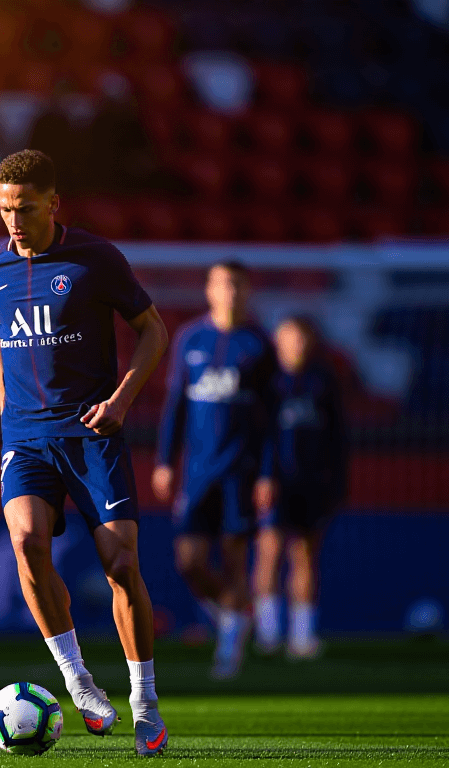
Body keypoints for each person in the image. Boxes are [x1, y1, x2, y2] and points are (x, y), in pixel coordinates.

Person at [0, 149, 171, 756]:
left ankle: (144, 703)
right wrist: (9, 417)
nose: (13, 220)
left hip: (92, 435)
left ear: (53, 204)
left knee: (121, 567)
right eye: (5, 207)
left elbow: (153, 331)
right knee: (27, 542)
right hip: (26, 438)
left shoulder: (94, 259)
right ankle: (78, 682)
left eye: (25, 208)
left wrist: (119, 402)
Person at [152, 261, 277, 680]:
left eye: (239, 284)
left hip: (240, 471)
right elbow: (176, 407)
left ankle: (228, 652)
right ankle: (234, 616)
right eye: (224, 284)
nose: (231, 292)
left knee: (236, 557)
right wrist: (165, 461)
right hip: (197, 471)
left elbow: (274, 416)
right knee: (189, 561)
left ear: (248, 290)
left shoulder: (259, 343)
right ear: (209, 289)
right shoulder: (191, 339)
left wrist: (267, 472)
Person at [252, 316, 348, 659]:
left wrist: (335, 483)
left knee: (305, 555)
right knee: (269, 553)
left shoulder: (322, 381)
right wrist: (262, 476)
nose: (297, 345)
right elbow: (258, 435)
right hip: (274, 483)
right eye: (290, 338)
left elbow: (337, 437)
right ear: (278, 341)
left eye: (303, 338)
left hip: (311, 484)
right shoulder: (267, 382)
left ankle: (302, 637)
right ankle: (267, 634)